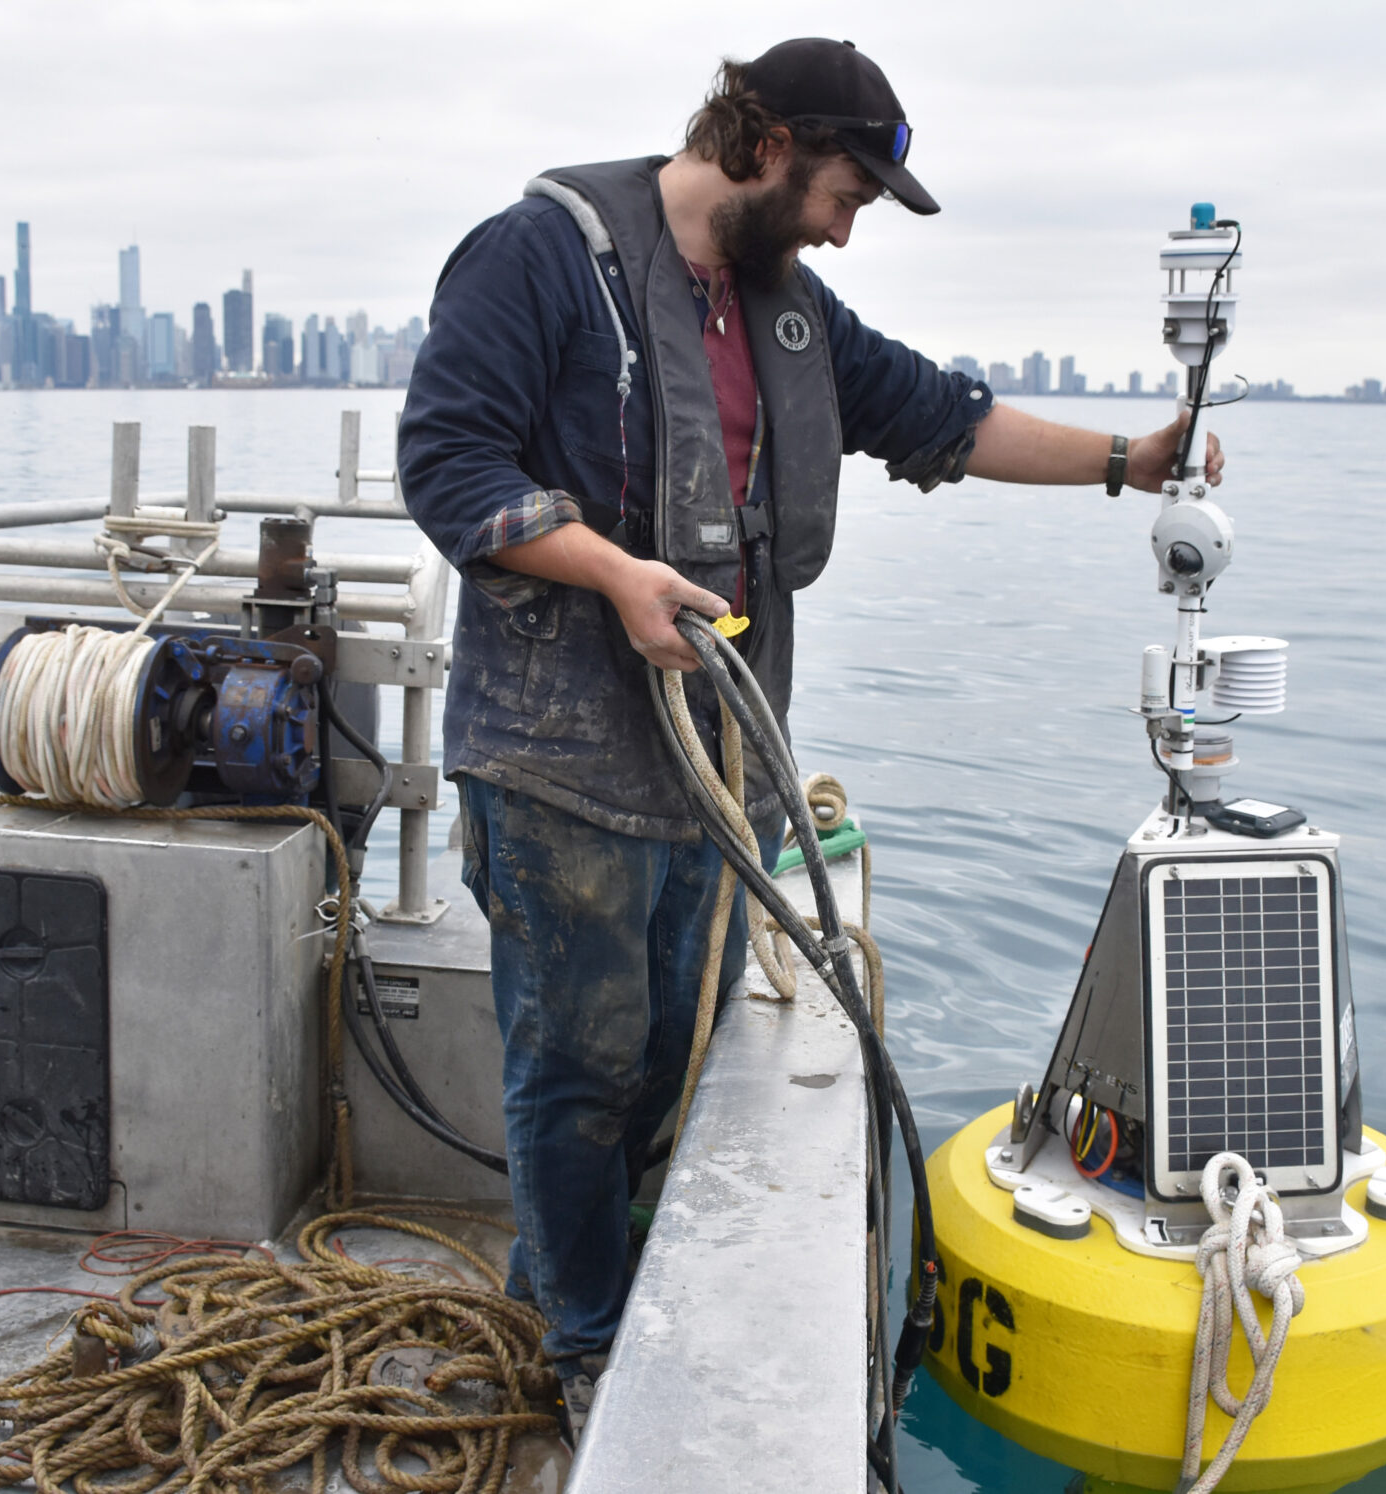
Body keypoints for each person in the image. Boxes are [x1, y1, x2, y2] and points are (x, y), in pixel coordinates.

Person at [396, 37, 1223, 1436]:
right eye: (850, 189)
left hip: (719, 770)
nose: (851, 224)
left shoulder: (794, 313)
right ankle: (585, 1340)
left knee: (671, 1050)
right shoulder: (540, 255)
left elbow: (943, 418)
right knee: (576, 1058)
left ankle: (574, 1278)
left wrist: (1126, 463)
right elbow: (448, 464)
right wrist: (614, 573)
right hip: (558, 761)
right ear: (770, 142)